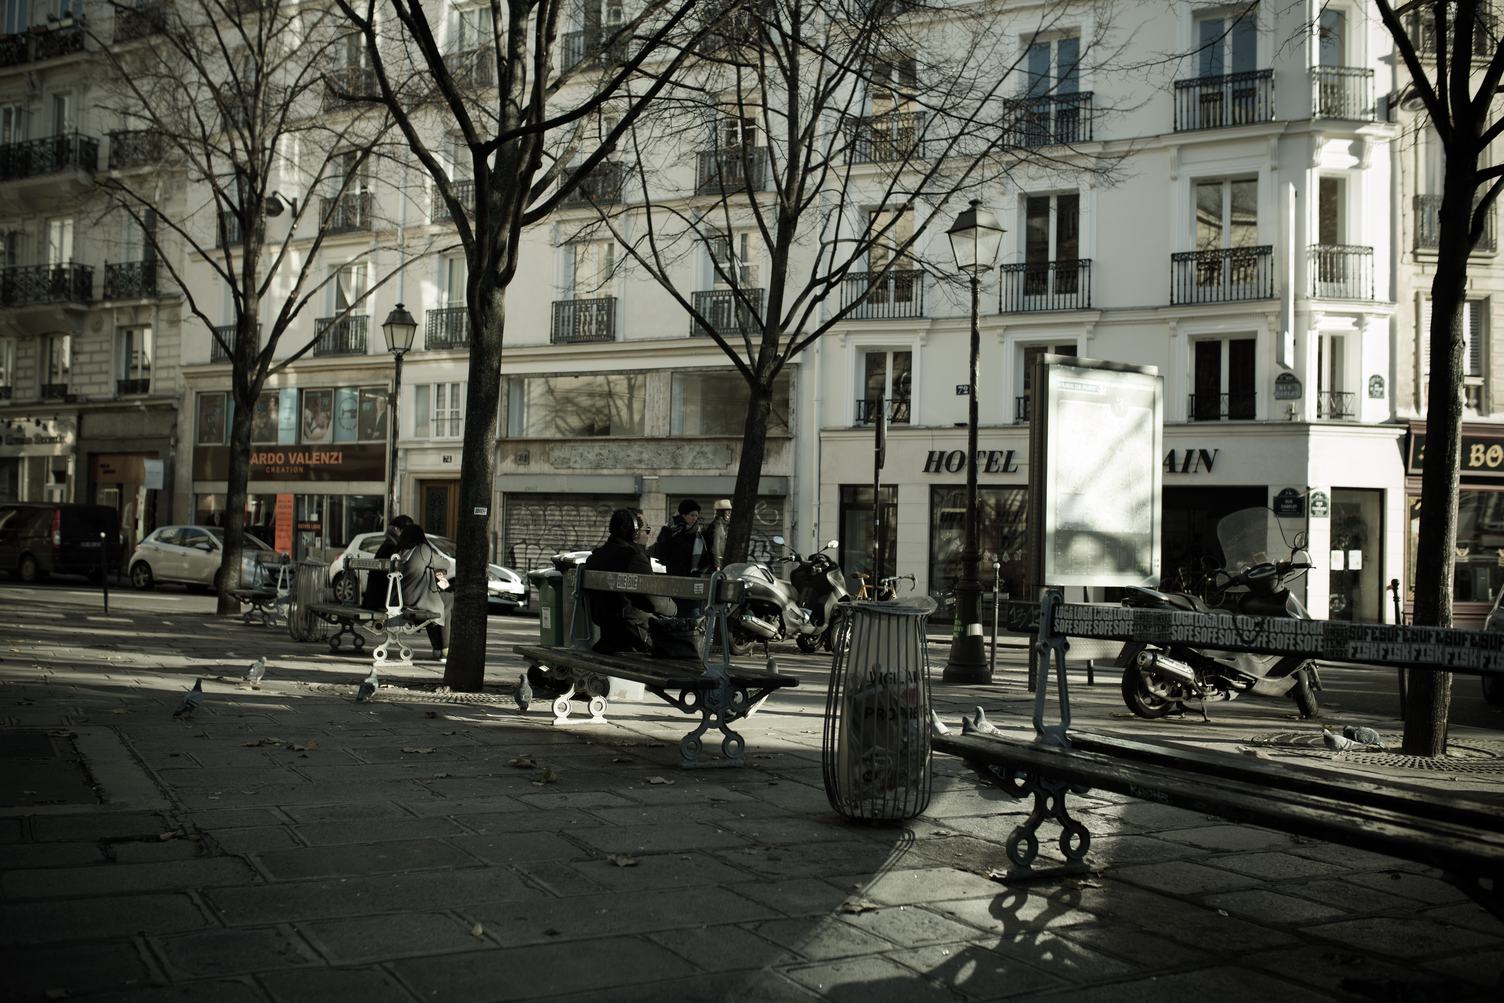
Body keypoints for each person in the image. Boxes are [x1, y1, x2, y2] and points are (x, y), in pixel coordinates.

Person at [583, 508, 672, 654]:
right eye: (646, 530)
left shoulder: (595, 556)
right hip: (634, 636)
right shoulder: (632, 557)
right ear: (635, 532)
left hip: (607, 635)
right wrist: (673, 608)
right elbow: (654, 602)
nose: (648, 535)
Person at [395, 522, 450, 660]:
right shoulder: (422, 550)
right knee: (449, 602)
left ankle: (437, 648)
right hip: (417, 600)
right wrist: (439, 574)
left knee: (438, 604)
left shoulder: (400, 551)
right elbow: (445, 563)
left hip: (401, 599)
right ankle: (445, 649)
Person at [653, 499, 705, 615]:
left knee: (693, 615)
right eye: (692, 515)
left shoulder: (697, 533)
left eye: (696, 515)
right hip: (674, 578)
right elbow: (661, 552)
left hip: (692, 579)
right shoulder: (668, 531)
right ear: (683, 515)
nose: (695, 518)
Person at [360, 514, 414, 611]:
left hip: (374, 599)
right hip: (382, 601)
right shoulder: (393, 547)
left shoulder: (388, 544)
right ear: (397, 530)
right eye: (406, 531)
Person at [704, 498, 732, 574]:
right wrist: (717, 565)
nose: (729, 513)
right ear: (720, 512)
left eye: (730, 511)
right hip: (716, 564)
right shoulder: (717, 526)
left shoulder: (722, 525)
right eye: (727, 511)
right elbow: (714, 547)